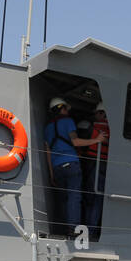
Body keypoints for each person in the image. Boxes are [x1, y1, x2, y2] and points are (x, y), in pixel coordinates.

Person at [44, 97, 105, 237]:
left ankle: (62, 228)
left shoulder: (47, 128)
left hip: (56, 167)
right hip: (71, 164)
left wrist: (51, 173)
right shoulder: (68, 121)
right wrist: (96, 140)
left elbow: (47, 151)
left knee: (63, 199)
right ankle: (74, 229)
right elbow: (75, 142)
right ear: (63, 109)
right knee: (74, 197)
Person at [82, 102, 110, 239]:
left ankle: (89, 230)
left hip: (93, 164)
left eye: (97, 113)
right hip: (103, 165)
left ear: (103, 113)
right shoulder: (112, 130)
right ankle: (92, 230)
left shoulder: (92, 128)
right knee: (97, 199)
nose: (95, 116)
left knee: (91, 198)